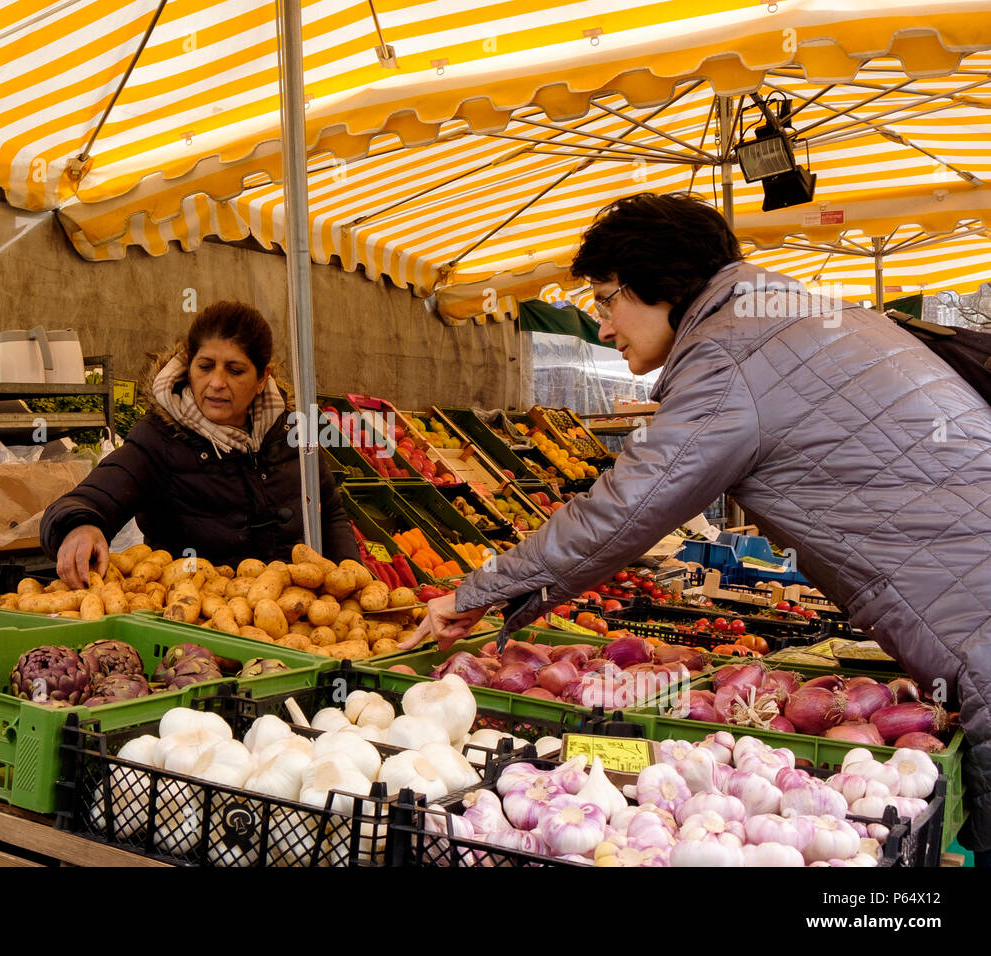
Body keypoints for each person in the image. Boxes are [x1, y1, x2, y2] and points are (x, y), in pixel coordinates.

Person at [403, 192, 991, 858]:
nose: (601, 325)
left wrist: (471, 592)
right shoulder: (793, 319)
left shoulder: (728, 357)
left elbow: (620, 511)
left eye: (604, 299)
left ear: (659, 286)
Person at [41, 300, 362, 583]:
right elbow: (88, 499)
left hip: (296, 614)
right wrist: (80, 527)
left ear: (263, 377)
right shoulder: (161, 437)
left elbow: (329, 512)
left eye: (235, 371)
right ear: (188, 363)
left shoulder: (294, 432)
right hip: (195, 620)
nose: (216, 383)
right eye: (205, 367)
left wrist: (353, 576)